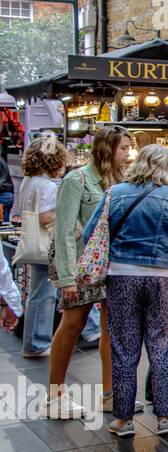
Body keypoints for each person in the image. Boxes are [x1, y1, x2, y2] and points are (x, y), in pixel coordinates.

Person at [83, 143, 168, 437]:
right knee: (162, 345)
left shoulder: (115, 194)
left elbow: (90, 235)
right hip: (165, 278)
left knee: (123, 346)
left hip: (122, 275)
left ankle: (123, 419)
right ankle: (164, 417)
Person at [45, 125, 133, 419]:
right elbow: (65, 230)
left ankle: (110, 394)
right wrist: (67, 277)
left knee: (112, 328)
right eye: (123, 149)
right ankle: (54, 396)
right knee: (72, 324)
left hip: (114, 265)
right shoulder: (77, 180)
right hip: (83, 265)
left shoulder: (121, 181)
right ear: (107, 148)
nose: (128, 155)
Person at [14, 135, 67, 358]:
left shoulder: (29, 181)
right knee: (45, 295)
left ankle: (34, 341)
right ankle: (36, 343)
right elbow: (46, 217)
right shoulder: (48, 186)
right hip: (47, 245)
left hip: (34, 243)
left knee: (40, 293)